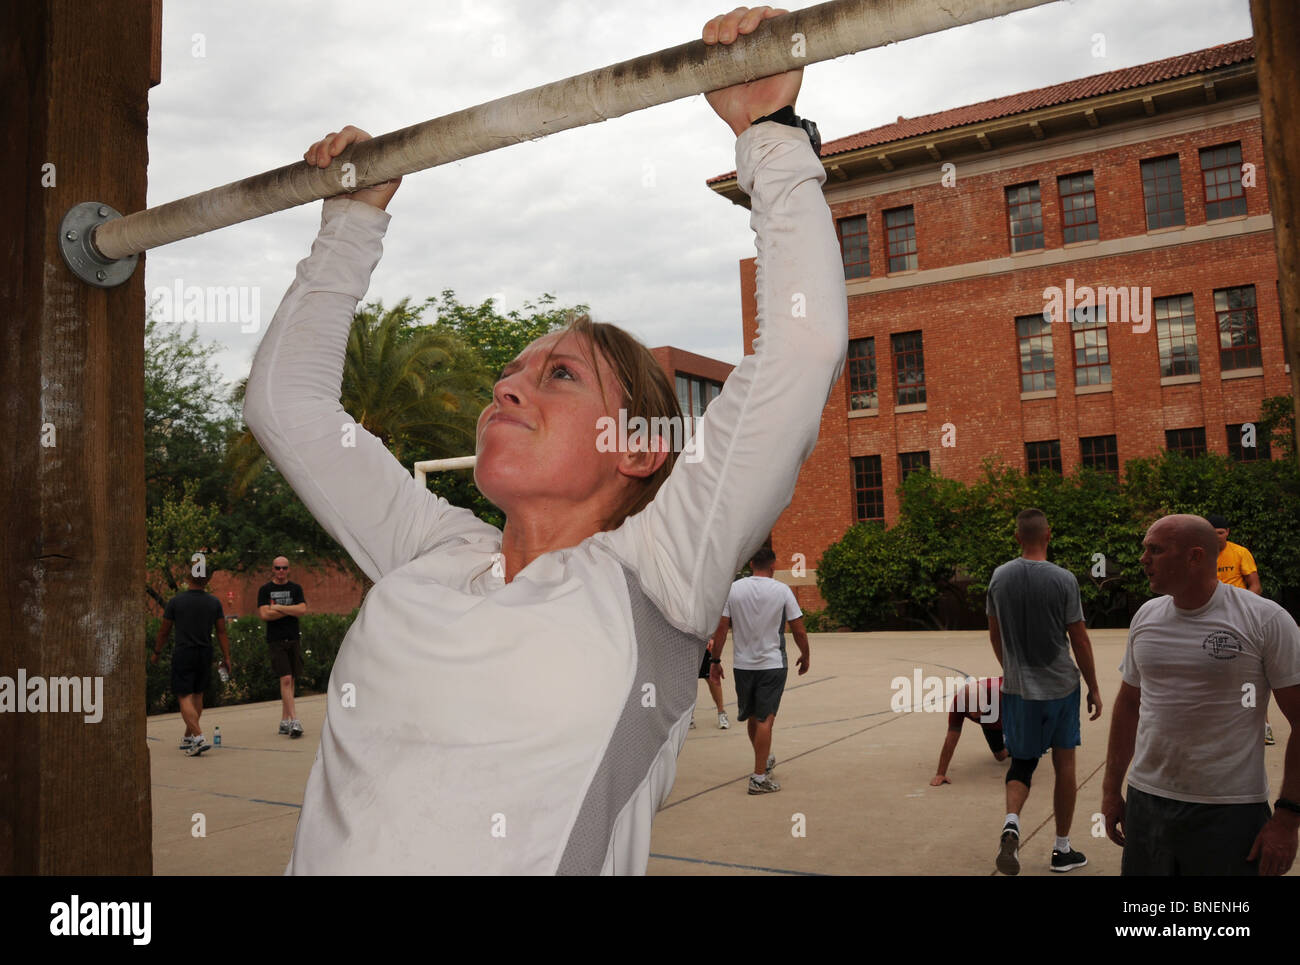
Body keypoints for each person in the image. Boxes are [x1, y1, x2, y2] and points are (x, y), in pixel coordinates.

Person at [240, 6, 846, 874]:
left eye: (558, 374)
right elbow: (284, 405)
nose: (507, 384)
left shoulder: (658, 574)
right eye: (513, 372)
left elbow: (803, 343)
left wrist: (771, 133)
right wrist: (352, 222)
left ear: (637, 447)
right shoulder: (430, 549)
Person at [1101, 514, 1300, 876]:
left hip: (1230, 809)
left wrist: (1288, 817)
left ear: (1194, 557)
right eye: (1145, 550)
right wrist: (1111, 790)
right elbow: (1129, 705)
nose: (1143, 559)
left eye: (1155, 550)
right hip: (1148, 802)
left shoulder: (1266, 620)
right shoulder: (1146, 616)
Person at [986, 508, 1102, 875]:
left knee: (1022, 762)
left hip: (1019, 690)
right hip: (1060, 687)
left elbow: (994, 632)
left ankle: (1011, 823)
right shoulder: (1064, 580)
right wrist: (1094, 687)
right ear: (1048, 535)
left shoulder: (1000, 577)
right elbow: (1079, 639)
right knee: (1064, 765)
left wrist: (1012, 671)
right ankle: (1061, 849)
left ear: (1018, 537)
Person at [708, 548, 810, 794]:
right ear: (773, 565)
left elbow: (721, 630)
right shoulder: (782, 591)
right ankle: (758, 778)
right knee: (766, 719)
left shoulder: (733, 589)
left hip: (743, 665)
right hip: (772, 664)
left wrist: (715, 660)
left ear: (751, 563)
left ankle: (762, 761)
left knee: (753, 717)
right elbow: (798, 629)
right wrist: (805, 654)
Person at [1206, 513, 1274, 745]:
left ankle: (1263, 725)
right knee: (1214, 672)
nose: (1217, 538)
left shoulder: (1240, 552)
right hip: (1210, 618)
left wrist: (1240, 604)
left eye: (1221, 533)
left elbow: (1255, 586)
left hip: (1239, 618)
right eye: (1212, 533)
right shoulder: (1200, 554)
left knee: (1249, 670)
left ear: (1227, 533)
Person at [151, 572, 231, 757]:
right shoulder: (214, 603)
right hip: (205, 652)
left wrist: (156, 652)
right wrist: (227, 656)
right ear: (207, 580)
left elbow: (164, 631)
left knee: (184, 697)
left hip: (184, 652)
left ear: (187, 579)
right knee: (198, 695)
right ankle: (188, 737)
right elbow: (221, 632)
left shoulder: (176, 602)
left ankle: (199, 737)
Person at [258, 556, 307, 737]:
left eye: (284, 568)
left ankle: (284, 721)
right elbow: (264, 614)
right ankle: (294, 721)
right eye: (277, 568)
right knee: (286, 679)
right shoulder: (265, 590)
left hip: (293, 639)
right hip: (276, 641)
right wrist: (290, 610)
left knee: (291, 680)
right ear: (272, 569)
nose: (281, 571)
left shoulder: (296, 588)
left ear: (288, 569)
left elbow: (302, 610)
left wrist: (277, 608)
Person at [930, 676, 1008, 786]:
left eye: (979, 708)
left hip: (1008, 715)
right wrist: (940, 774)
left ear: (986, 699)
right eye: (971, 710)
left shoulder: (1001, 690)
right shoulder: (958, 704)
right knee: (1000, 756)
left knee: (1024, 745)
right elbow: (951, 740)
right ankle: (1009, 742)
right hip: (991, 724)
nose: (975, 715)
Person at [693, 643, 730, 730]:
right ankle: (688, 717)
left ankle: (721, 713)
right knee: (686, 680)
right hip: (686, 643)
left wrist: (712, 638)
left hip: (704, 642)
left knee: (712, 678)